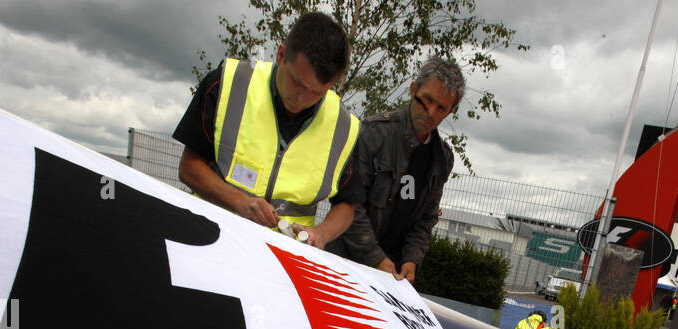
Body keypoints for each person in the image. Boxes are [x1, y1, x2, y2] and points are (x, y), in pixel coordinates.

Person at [173, 12, 361, 250]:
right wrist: (239, 201)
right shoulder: (228, 84)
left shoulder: (343, 127)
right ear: (281, 55)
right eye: (297, 83)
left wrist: (321, 234)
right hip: (210, 237)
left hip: (283, 257)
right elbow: (188, 168)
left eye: (317, 93)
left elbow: (347, 206)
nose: (302, 98)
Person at [327, 56, 465, 283]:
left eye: (441, 108)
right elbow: (350, 204)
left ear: (450, 111)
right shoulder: (374, 132)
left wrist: (412, 260)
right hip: (344, 261)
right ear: (413, 90)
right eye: (426, 100)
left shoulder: (442, 158)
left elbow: (426, 220)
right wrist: (376, 258)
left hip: (392, 275)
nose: (430, 112)